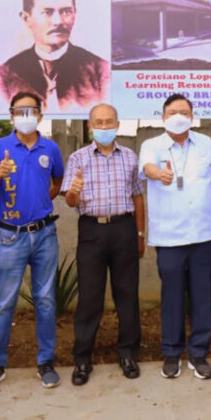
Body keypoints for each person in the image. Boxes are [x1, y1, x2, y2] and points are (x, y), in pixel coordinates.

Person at [0, 91, 65, 393]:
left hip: (44, 235)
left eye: (32, 110)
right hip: (9, 234)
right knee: (3, 303)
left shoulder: (50, 148)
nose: (26, 115)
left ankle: (46, 362)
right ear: (11, 114)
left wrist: (42, 201)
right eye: (20, 110)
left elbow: (57, 183)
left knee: (45, 299)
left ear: (41, 115)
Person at [61, 103, 145, 385]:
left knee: (127, 295)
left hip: (123, 228)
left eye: (109, 122)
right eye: (99, 122)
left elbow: (137, 197)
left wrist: (140, 234)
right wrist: (74, 192)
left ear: (118, 125)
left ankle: (128, 353)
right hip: (92, 231)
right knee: (89, 297)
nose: (104, 126)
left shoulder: (130, 157)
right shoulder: (77, 158)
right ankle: (83, 359)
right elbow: (70, 201)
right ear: (89, 125)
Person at [138, 93, 211, 380]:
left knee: (202, 296)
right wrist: (158, 174)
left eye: (184, 111)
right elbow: (147, 168)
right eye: (173, 111)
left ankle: (198, 354)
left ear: (192, 116)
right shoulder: (152, 145)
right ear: (163, 117)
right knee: (171, 296)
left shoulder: (206, 144)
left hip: (202, 234)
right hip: (169, 236)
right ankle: (172, 353)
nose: (178, 115)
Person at [0, 0, 110, 114]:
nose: (58, 21)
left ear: (75, 14)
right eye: (47, 12)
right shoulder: (7, 73)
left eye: (66, 12)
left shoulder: (99, 70)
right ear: (26, 18)